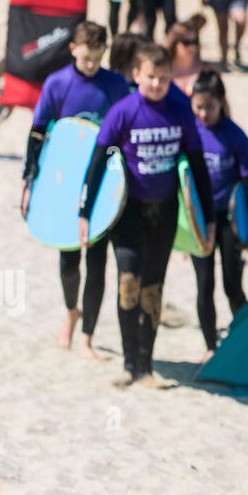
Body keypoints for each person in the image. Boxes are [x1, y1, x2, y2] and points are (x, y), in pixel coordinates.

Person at [78, 41, 214, 388]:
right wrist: (85, 212)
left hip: (164, 212)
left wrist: (208, 219)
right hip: (128, 213)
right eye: (151, 77)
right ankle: (128, 363)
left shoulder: (179, 112)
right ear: (137, 74)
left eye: (164, 78)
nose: (157, 84)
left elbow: (197, 167)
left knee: (153, 289)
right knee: (128, 285)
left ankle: (146, 366)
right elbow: (98, 162)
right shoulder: (123, 111)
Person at [20, 20, 129, 360]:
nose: (92, 65)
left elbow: (124, 135)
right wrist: (29, 182)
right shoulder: (57, 84)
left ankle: (87, 336)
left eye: (98, 58)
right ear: (73, 50)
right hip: (64, 182)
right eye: (86, 58)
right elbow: (38, 134)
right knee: (69, 259)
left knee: (97, 263)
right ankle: (71, 311)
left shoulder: (114, 84)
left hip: (101, 184)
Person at [188, 69, 248, 357]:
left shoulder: (235, 136)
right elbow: (183, 182)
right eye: (199, 107)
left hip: (228, 221)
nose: (204, 113)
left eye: (210, 106)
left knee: (232, 284)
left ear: (221, 103)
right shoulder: (189, 132)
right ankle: (210, 347)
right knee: (204, 284)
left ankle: (244, 343)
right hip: (199, 221)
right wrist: (184, 230)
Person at [165, 18, 218, 96]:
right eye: (186, 43)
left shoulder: (209, 69)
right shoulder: (162, 72)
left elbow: (222, 103)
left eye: (195, 41)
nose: (192, 47)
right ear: (174, 43)